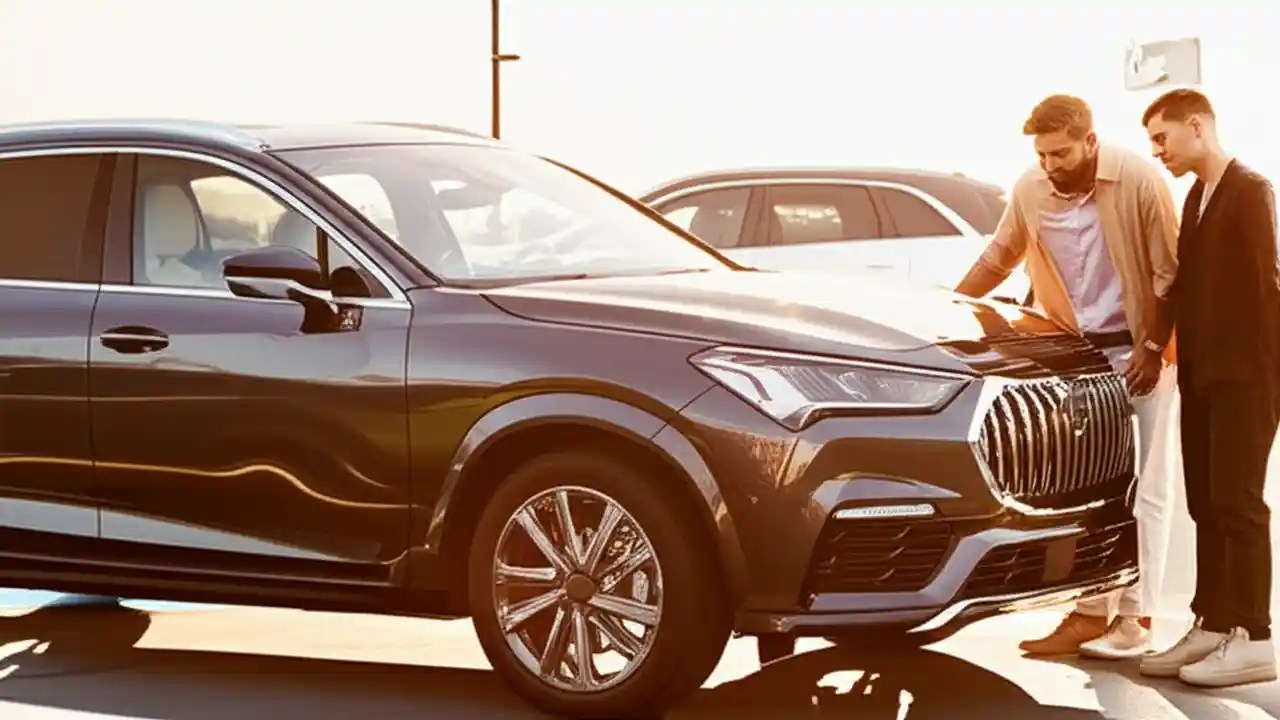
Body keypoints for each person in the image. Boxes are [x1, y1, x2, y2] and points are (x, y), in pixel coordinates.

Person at [954, 94, 1182, 659]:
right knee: (1086, 491)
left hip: (1141, 352)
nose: (1050, 165)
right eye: (1042, 154)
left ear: (1090, 141)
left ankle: (1139, 618)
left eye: (1061, 153)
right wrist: (950, 310)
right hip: (1075, 362)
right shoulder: (1031, 188)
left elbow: (1169, 273)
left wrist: (1152, 348)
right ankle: (1087, 614)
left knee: (1145, 490)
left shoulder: (1137, 178)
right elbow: (999, 256)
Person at [1137, 88, 1280, 688]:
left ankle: (1255, 636)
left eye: (1162, 138)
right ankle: (1212, 621)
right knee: (1205, 505)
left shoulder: (1250, 190)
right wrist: (1155, 347)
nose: (1158, 151)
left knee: (1238, 504)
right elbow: (1186, 288)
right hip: (1203, 377)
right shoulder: (1195, 196)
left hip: (1248, 378)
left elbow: (1269, 287)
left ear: (1196, 127)